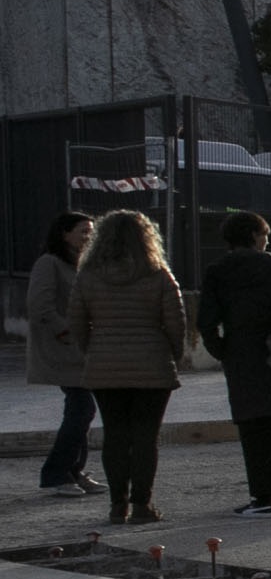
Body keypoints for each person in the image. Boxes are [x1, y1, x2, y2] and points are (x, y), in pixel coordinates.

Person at [66, 209, 184, 526]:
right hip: (152, 364)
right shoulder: (158, 274)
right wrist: (174, 352)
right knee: (146, 436)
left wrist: (92, 349)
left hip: (105, 366)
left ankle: (118, 505)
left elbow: (76, 322)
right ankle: (142, 504)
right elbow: (175, 321)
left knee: (115, 435)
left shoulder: (87, 276)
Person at [195, 212, 271, 516]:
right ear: (255, 236)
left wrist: (223, 350)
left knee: (253, 427)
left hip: (243, 355)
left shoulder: (218, 271)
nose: (267, 239)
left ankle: (263, 496)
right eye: (265, 233)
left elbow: (206, 320)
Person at [24, 214, 97, 498]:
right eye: (83, 231)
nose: (88, 236)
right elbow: (40, 305)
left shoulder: (79, 263)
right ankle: (57, 472)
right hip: (63, 348)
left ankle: (73, 471)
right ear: (65, 233)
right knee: (82, 408)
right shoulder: (49, 263)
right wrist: (65, 332)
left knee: (81, 409)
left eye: (90, 231)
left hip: (78, 349)